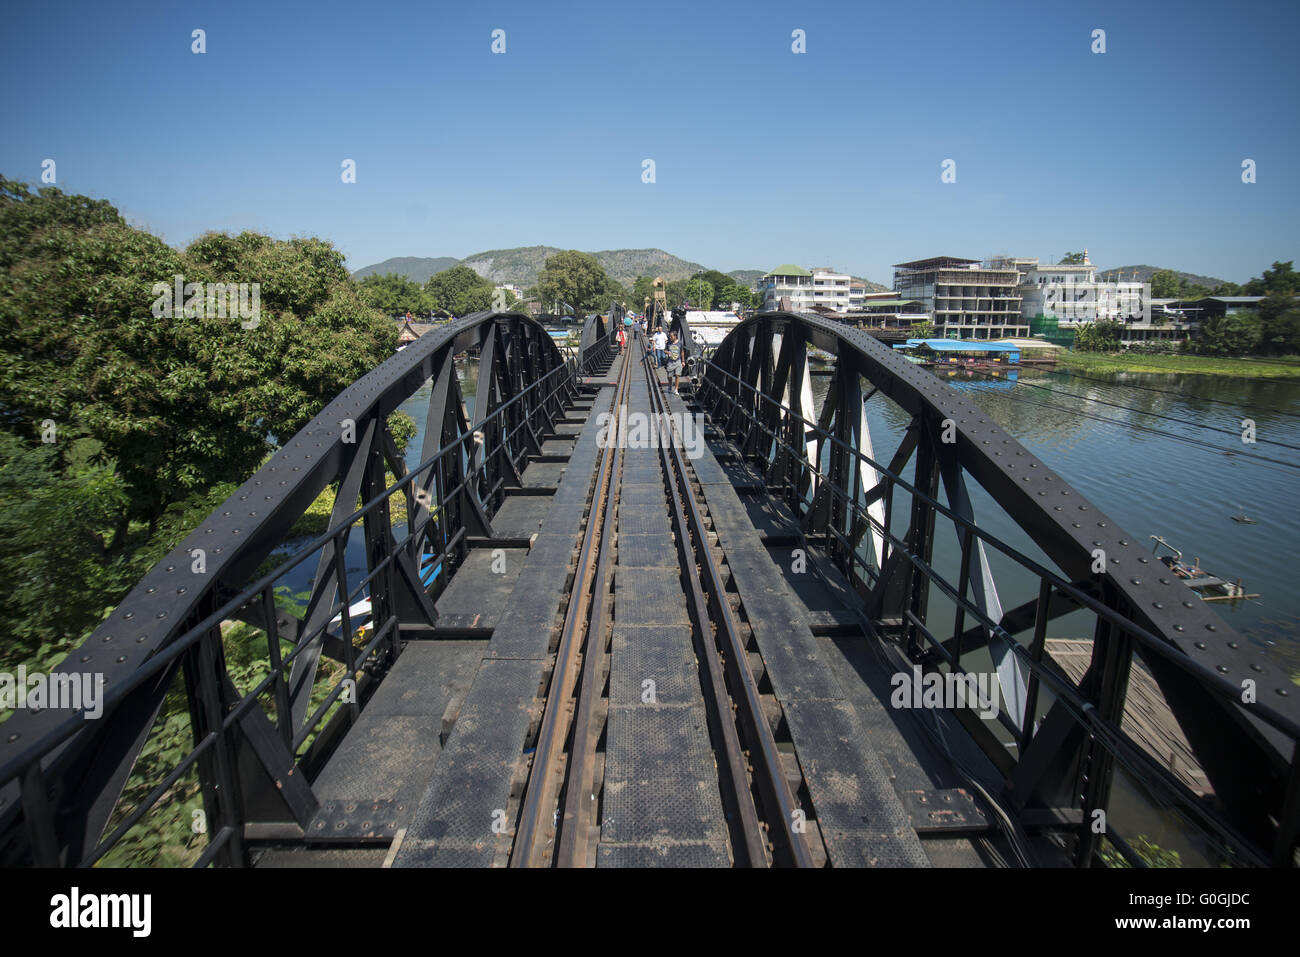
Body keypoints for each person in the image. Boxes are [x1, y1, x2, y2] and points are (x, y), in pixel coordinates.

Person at [664, 331, 683, 395]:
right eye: (670, 336)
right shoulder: (669, 343)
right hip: (670, 361)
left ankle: (676, 389)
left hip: (678, 361)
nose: (670, 337)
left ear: (675, 336)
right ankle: (670, 385)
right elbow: (665, 350)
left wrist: (683, 361)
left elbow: (682, 352)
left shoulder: (680, 343)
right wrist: (667, 352)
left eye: (671, 336)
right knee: (669, 376)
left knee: (677, 375)